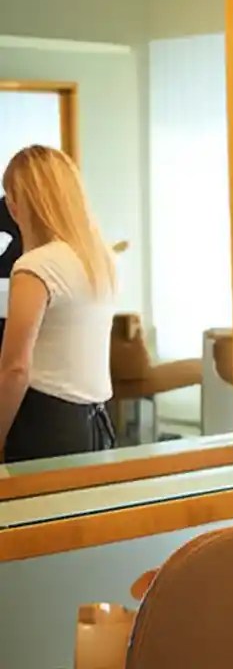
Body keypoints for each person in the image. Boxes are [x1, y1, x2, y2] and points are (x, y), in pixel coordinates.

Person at [0, 145, 117, 463]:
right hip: (97, 424)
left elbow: (15, 369)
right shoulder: (99, 259)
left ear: (17, 203)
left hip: (45, 426)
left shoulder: (35, 266)